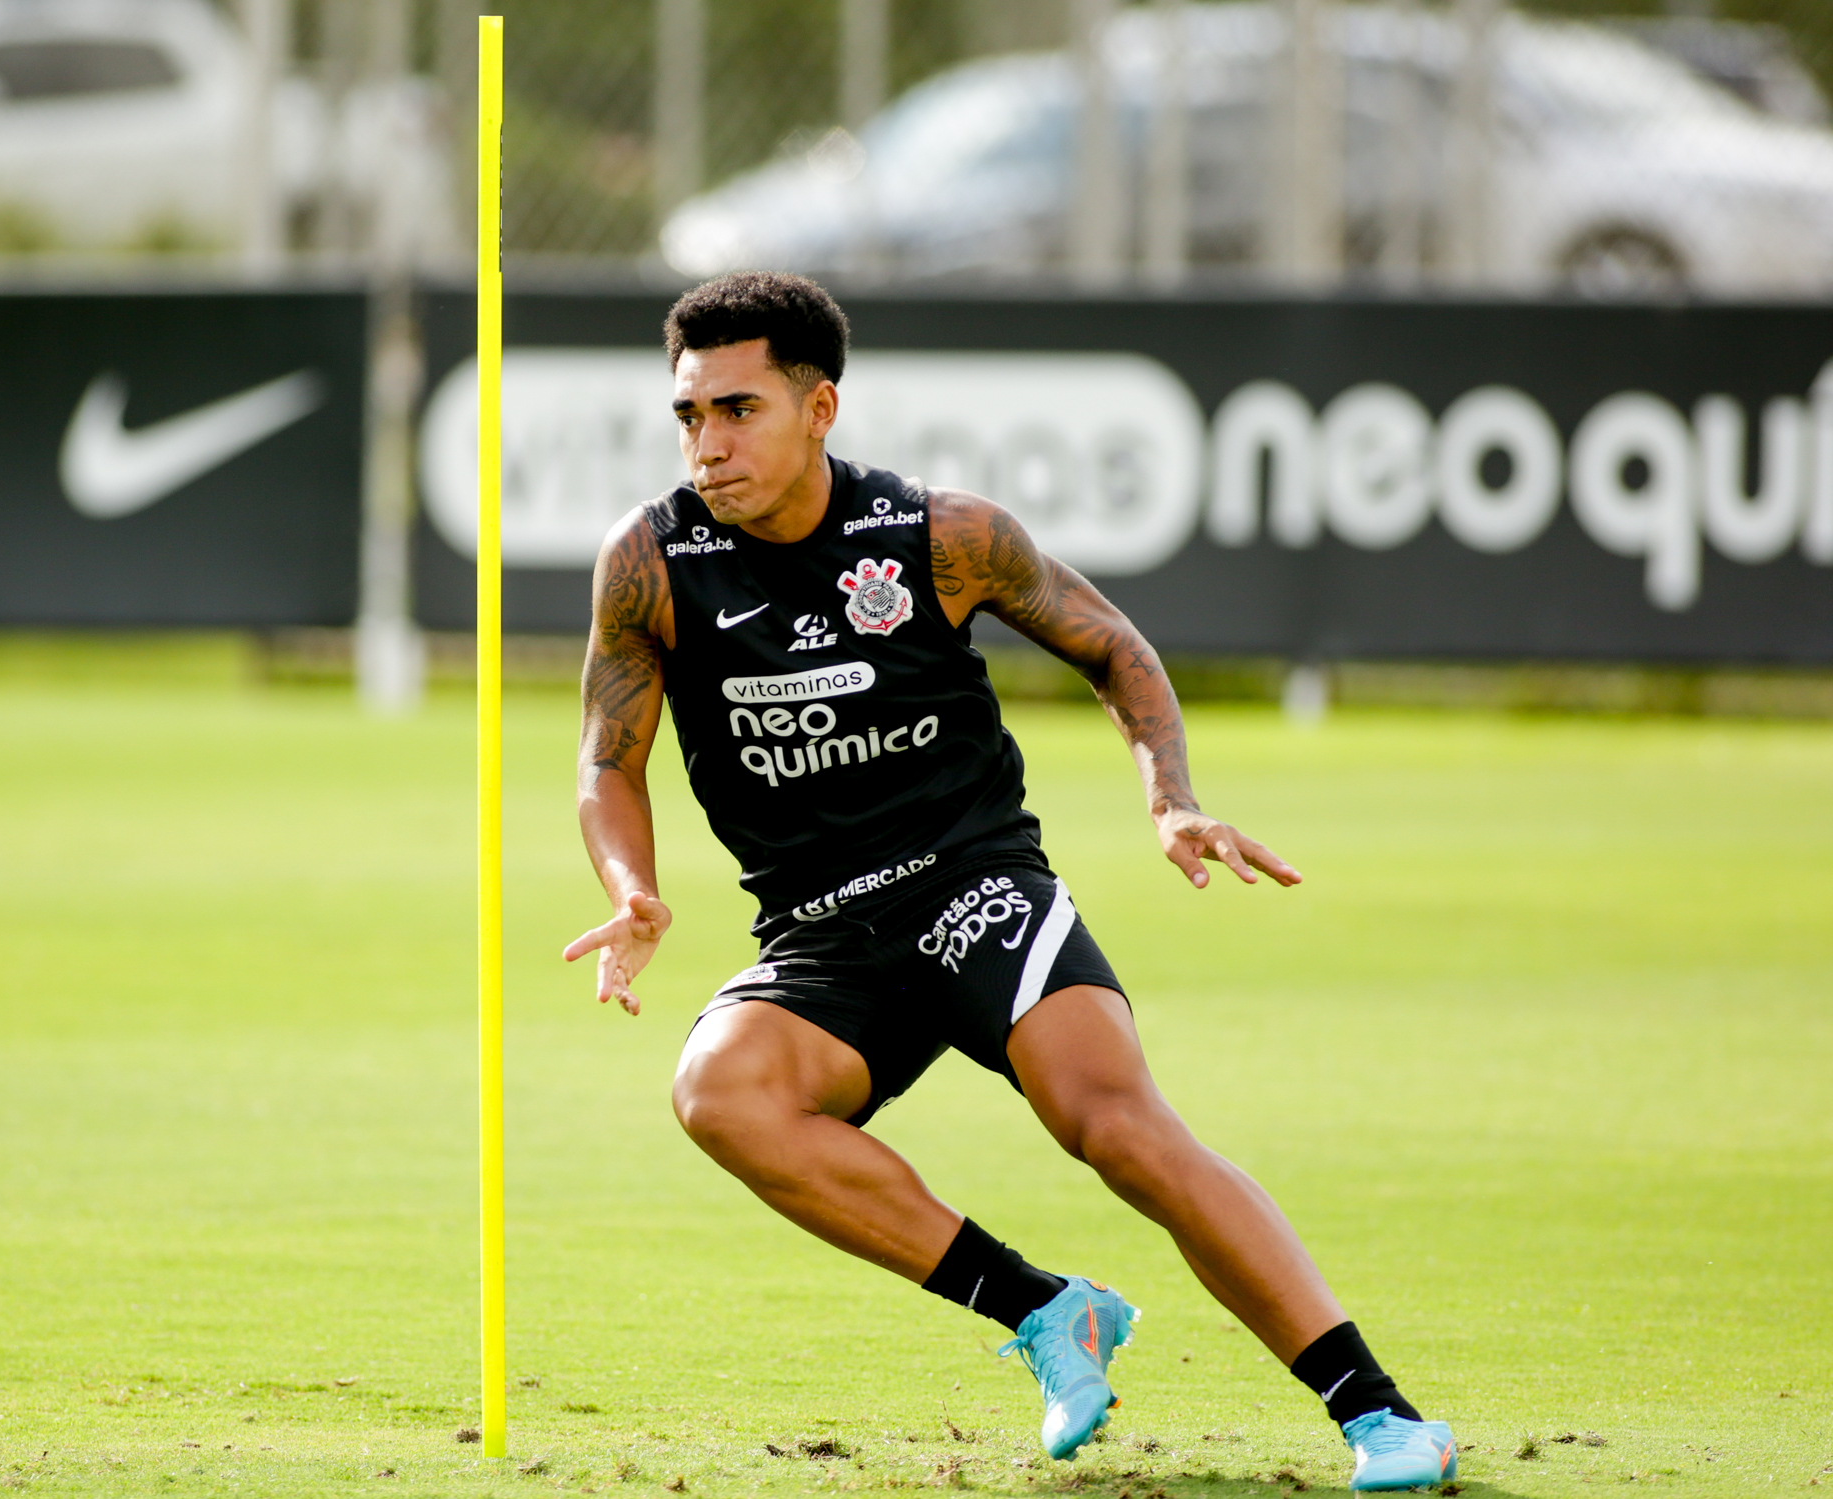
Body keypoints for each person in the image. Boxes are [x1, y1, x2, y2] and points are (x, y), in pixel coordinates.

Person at [562, 271, 1457, 1491]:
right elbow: (607, 759)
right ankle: (1044, 1311)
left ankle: (1379, 1413)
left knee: (1117, 1129)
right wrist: (632, 884)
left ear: (819, 408)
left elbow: (1112, 646)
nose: (706, 445)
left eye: (738, 410)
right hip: (821, 933)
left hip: (970, 889)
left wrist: (1169, 795)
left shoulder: (939, 535)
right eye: (688, 416)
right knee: (720, 1091)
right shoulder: (649, 559)